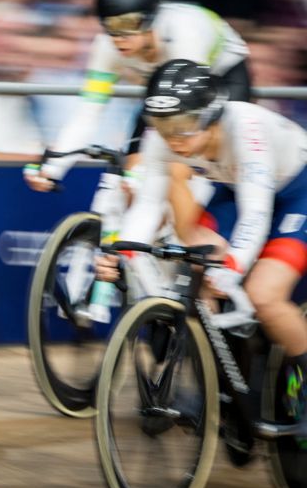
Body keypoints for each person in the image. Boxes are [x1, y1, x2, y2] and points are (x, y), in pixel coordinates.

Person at [96, 59, 307, 424]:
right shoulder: (163, 139)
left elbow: (256, 214)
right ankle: (223, 382)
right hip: (236, 188)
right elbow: (147, 205)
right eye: (162, 126)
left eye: (183, 126)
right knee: (196, 263)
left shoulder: (246, 128)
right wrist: (120, 251)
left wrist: (233, 266)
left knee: (264, 294)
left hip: (296, 191)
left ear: (211, 115)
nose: (173, 139)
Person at [26, 0, 250, 189]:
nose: (118, 38)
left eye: (128, 25)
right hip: (163, 86)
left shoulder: (184, 32)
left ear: (151, 19)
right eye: (110, 26)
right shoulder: (105, 47)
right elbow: (88, 112)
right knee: (132, 171)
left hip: (222, 76)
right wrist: (53, 169)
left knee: (193, 164)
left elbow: (187, 109)